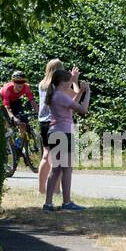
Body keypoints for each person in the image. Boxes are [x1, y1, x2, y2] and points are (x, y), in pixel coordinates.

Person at [44, 67, 91, 211]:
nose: (70, 84)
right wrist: (87, 92)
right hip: (64, 133)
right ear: (62, 82)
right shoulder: (61, 96)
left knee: (56, 169)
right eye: (68, 81)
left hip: (54, 132)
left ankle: (48, 203)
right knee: (67, 169)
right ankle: (66, 202)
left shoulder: (55, 95)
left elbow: (70, 106)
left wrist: (80, 92)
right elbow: (83, 110)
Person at [35, 58, 65, 193]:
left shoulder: (42, 84)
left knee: (46, 154)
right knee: (56, 157)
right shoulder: (57, 85)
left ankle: (41, 189)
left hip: (43, 122)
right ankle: (56, 189)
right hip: (54, 121)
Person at [0, 70, 36, 148]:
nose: (20, 84)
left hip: (15, 101)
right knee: (9, 123)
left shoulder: (26, 87)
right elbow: (7, 108)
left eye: (22, 82)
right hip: (3, 102)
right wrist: (14, 118)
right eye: (17, 82)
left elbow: (32, 102)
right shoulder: (7, 89)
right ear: (13, 82)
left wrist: (40, 113)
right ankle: (6, 144)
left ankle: (18, 146)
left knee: (23, 122)